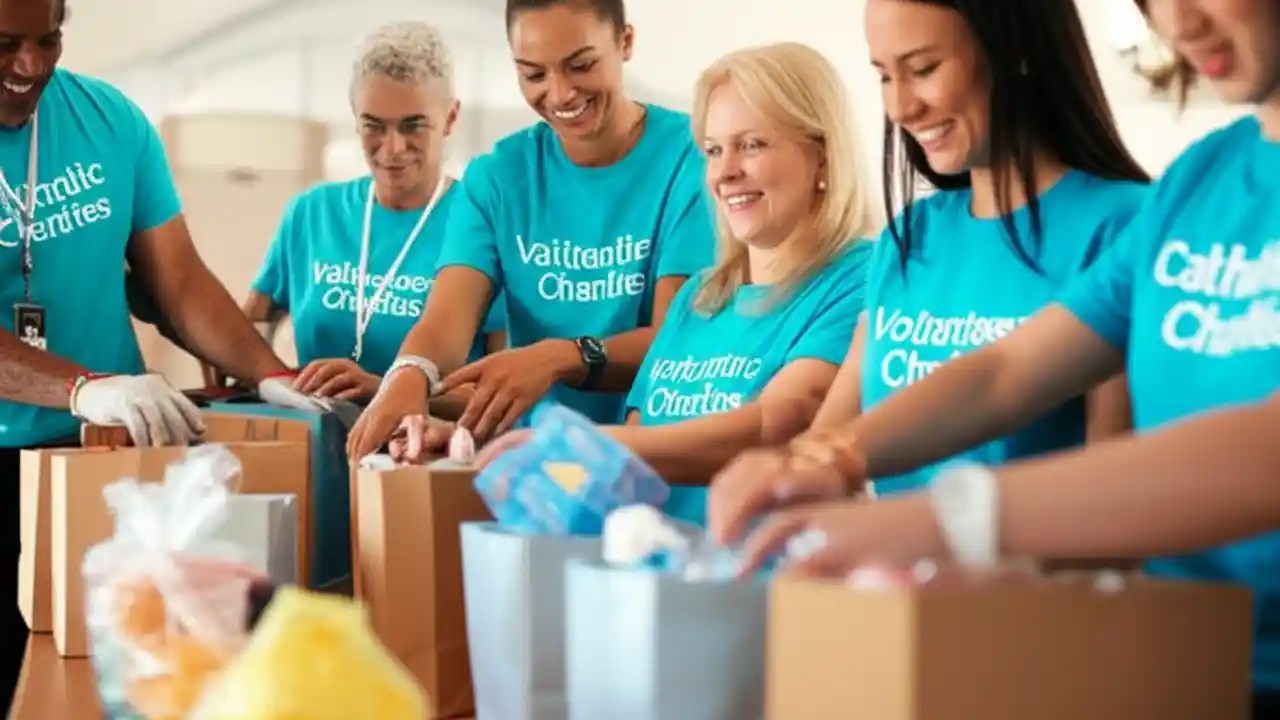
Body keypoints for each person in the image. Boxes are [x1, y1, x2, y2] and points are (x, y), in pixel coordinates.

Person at [710, 0, 1280, 710]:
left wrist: (952, 522)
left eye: (924, 67)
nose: (1178, 24)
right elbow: (1009, 372)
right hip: (1176, 666)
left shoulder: (1118, 211)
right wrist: (827, 459)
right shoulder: (1200, 181)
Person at [0, 0, 322, 712]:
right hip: (33, 432)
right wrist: (89, 387)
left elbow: (177, 280)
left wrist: (267, 373)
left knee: (114, 672)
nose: (30, 66)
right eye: (6, 44)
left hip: (98, 457)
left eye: (49, 40)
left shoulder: (111, 120)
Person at [434, 42, 877, 525]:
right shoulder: (700, 298)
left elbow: (780, 422)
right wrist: (482, 449)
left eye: (752, 145)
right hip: (653, 559)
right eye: (714, 150)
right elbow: (633, 441)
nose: (726, 172)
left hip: (756, 566)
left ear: (822, 157)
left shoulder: (861, 278)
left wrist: (585, 443)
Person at [799, 0, 1152, 497]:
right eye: (884, 76)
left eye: (924, 69)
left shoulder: (1124, 224)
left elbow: (1113, 496)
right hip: (890, 546)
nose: (900, 108)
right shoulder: (910, 234)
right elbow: (826, 446)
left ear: (1015, 51)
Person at [345, 0, 716, 460]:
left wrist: (561, 358)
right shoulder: (497, 178)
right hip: (534, 464)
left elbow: (676, 341)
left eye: (581, 65)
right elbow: (446, 319)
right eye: (534, 74)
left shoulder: (695, 160)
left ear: (625, 42)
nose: (559, 94)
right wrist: (407, 375)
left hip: (658, 460)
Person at [217, 22, 506, 408]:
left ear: (450, 118)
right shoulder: (313, 214)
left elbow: (497, 396)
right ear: (355, 117)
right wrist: (273, 380)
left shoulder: (481, 223)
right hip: (316, 436)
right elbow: (246, 332)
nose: (393, 147)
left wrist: (382, 390)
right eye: (374, 126)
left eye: (413, 126)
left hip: (425, 443)